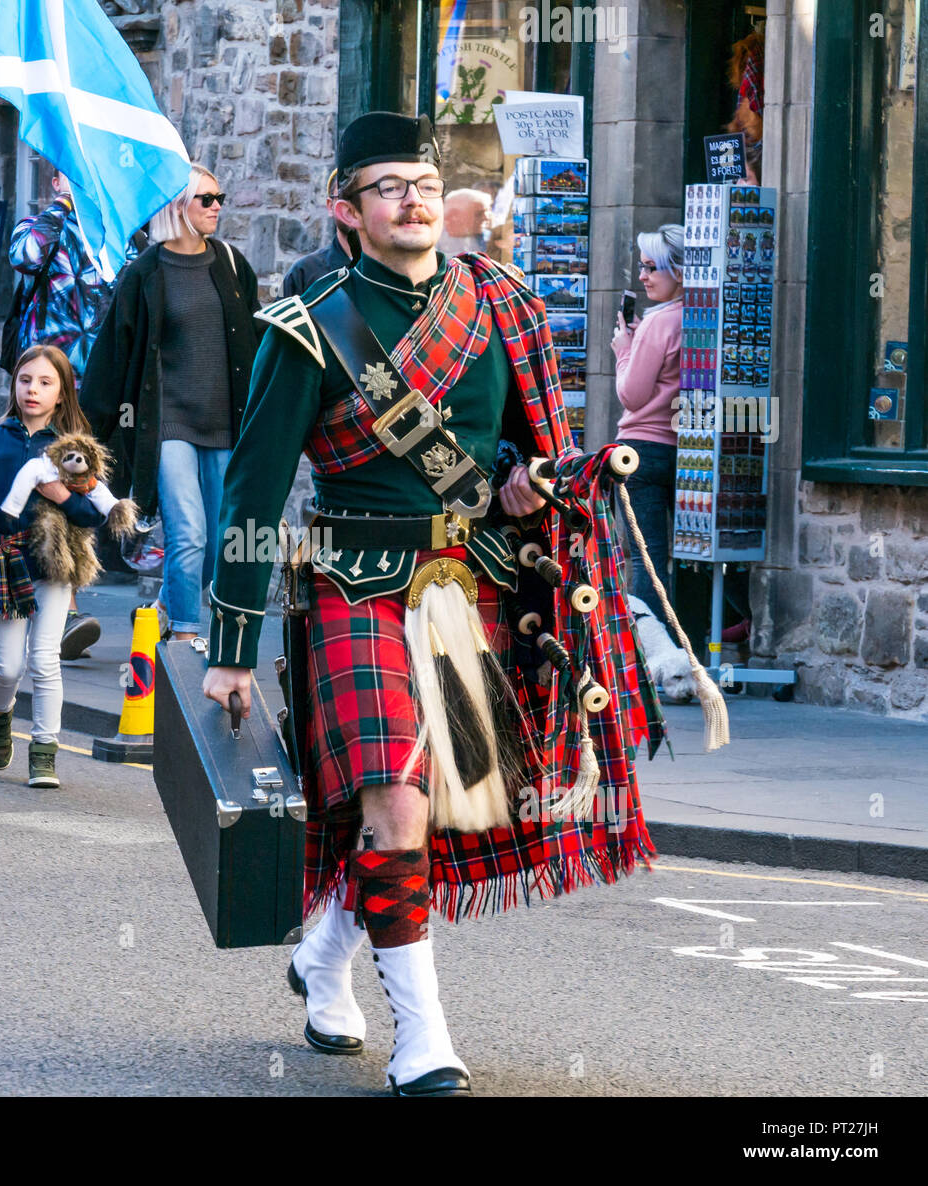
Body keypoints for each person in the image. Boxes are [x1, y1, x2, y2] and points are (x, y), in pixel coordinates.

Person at [200, 112, 661, 1096]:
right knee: (397, 798)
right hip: (351, 587)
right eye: (386, 187)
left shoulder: (501, 308)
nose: (411, 198)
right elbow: (250, 491)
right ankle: (423, 1037)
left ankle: (324, 950)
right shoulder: (308, 323)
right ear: (346, 211)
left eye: (421, 181)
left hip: (468, 587)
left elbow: (515, 454)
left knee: (426, 817)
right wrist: (231, 645)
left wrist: (525, 480)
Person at [83, 165, 260, 642]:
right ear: (177, 206)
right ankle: (184, 634)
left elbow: (257, 338)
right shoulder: (145, 273)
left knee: (221, 543)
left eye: (219, 196)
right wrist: (85, 437)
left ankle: (163, 607)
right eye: (206, 198)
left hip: (226, 422)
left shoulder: (230, 263)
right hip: (168, 425)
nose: (217, 205)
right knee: (188, 535)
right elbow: (113, 357)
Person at [9, 170, 136, 660]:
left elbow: (129, 291)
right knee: (46, 488)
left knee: (81, 492)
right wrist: (61, 206)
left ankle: (59, 606)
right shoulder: (42, 225)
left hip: (96, 388)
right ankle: (58, 608)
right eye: (70, 172)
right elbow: (24, 256)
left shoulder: (117, 236)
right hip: (45, 385)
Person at [0, 345, 104, 788]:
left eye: (46, 383)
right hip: (8, 564)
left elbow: (94, 514)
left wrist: (61, 496)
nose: (33, 390)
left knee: (45, 661)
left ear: (62, 394)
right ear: (14, 384)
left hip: (55, 567)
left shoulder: (71, 451)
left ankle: (45, 753)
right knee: (7, 667)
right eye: (26, 380)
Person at [611, 224, 683, 612]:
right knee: (692, 555)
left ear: (679, 272)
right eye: (642, 267)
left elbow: (632, 395)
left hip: (641, 450)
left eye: (652, 268)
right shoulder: (699, 318)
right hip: (686, 450)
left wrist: (625, 349)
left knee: (646, 558)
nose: (642, 276)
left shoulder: (659, 321)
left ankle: (649, 649)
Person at [281, 170, 358, 297]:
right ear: (330, 206)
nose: (350, 206)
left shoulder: (391, 268)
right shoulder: (303, 272)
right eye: (343, 196)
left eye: (356, 197)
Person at [437, 186, 494, 256]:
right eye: (479, 214)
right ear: (454, 216)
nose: (486, 218)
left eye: (487, 211)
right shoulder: (434, 240)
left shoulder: (488, 238)